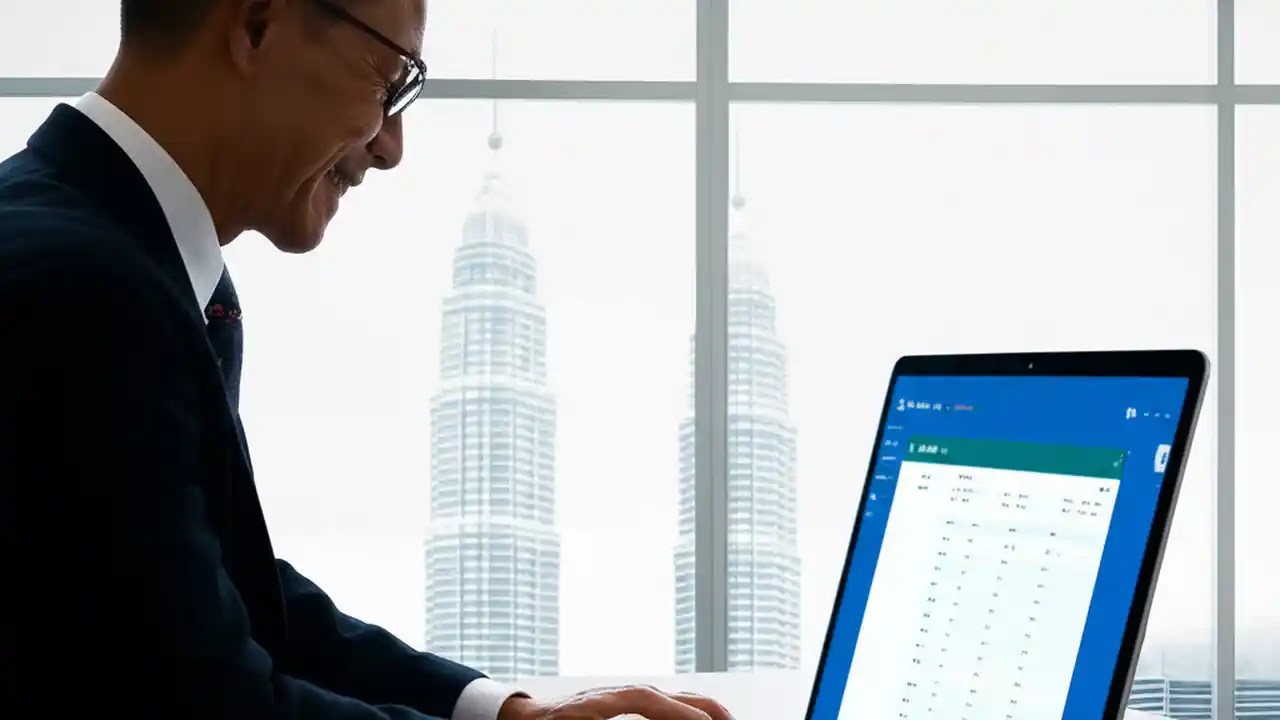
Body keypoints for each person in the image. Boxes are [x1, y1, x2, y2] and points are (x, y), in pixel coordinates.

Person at [0, 2, 736, 719]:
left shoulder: (134, 266)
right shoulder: (80, 291)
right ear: (257, 25)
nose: (392, 146)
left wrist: (503, 712)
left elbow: (209, 591)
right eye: (390, 84)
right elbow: (196, 692)